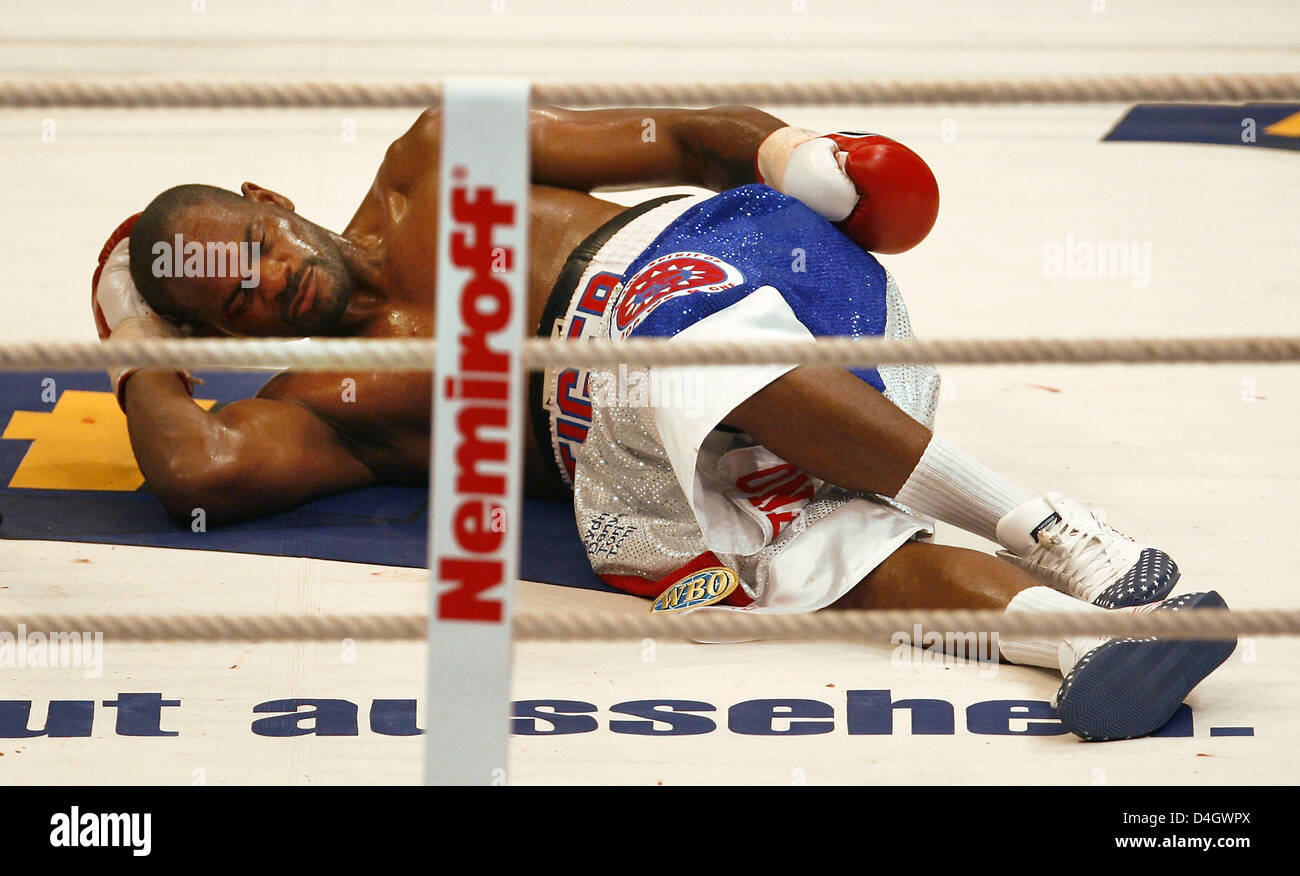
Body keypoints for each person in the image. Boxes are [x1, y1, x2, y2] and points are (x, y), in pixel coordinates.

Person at [92, 104, 1234, 741]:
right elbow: (199, 470)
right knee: (778, 554)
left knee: (660, 333)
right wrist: (127, 334)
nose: (262, 286)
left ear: (272, 204)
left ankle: (1042, 525)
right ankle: (1087, 634)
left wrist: (812, 163)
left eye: (252, 251)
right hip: (692, 448)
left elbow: (688, 138)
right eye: (223, 301)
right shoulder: (334, 414)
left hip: (761, 280)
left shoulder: (436, 156)